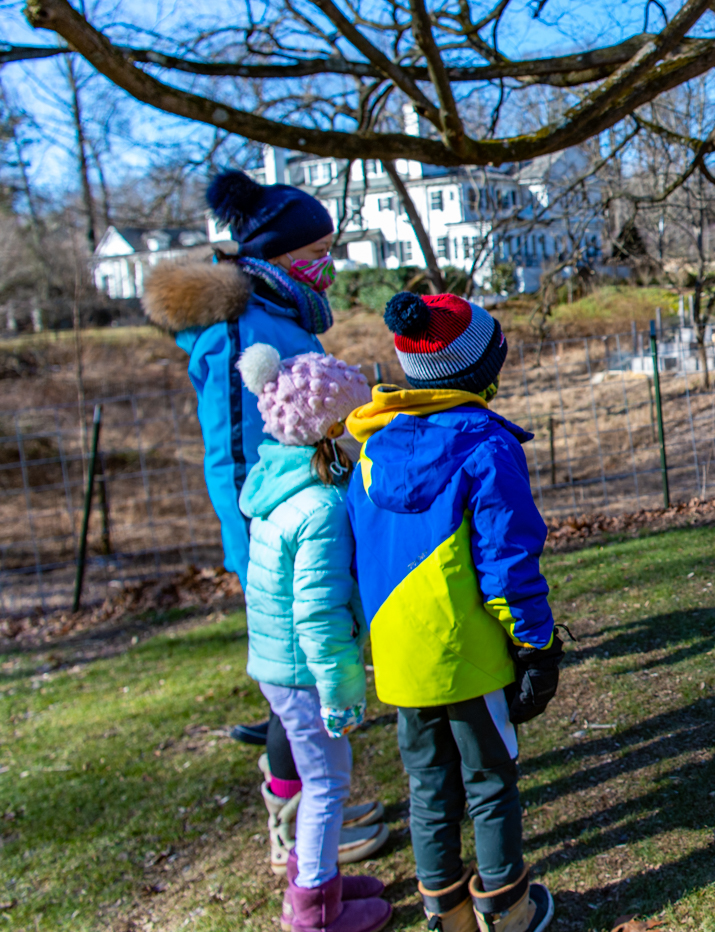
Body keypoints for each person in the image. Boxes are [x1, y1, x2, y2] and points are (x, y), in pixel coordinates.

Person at [141, 169, 383, 868]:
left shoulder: (284, 308)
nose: (329, 265)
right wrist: (265, 533)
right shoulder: (239, 324)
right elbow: (236, 448)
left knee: (306, 675)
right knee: (297, 678)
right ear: (278, 256)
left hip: (303, 508)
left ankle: (310, 803)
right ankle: (294, 822)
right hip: (275, 525)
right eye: (319, 251)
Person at [345, 292, 561, 932]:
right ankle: (509, 910)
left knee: (428, 787)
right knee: (490, 781)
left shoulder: (368, 452)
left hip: (400, 659)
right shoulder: (486, 448)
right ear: (482, 373)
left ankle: (449, 915)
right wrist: (536, 645)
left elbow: (361, 557)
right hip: (466, 655)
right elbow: (507, 561)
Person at [235, 343, 390, 932]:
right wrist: (342, 689)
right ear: (329, 431)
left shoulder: (275, 489)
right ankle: (314, 910)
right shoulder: (319, 507)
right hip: (304, 670)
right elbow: (318, 614)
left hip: (275, 665)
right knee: (327, 782)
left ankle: (318, 876)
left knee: (321, 773)